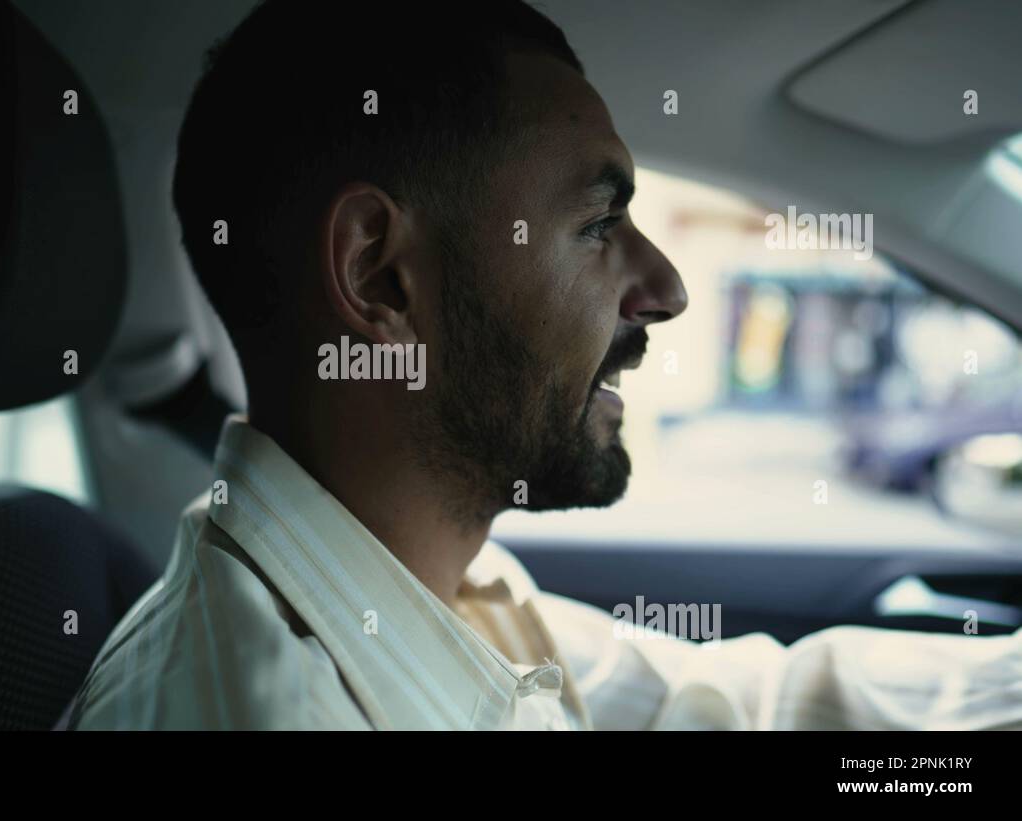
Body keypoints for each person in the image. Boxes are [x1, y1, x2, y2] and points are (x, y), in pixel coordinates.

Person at [67, 0, 1022, 730]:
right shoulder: (250, 704)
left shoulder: (426, 586)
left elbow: (734, 707)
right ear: (380, 278)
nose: (668, 286)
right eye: (599, 224)